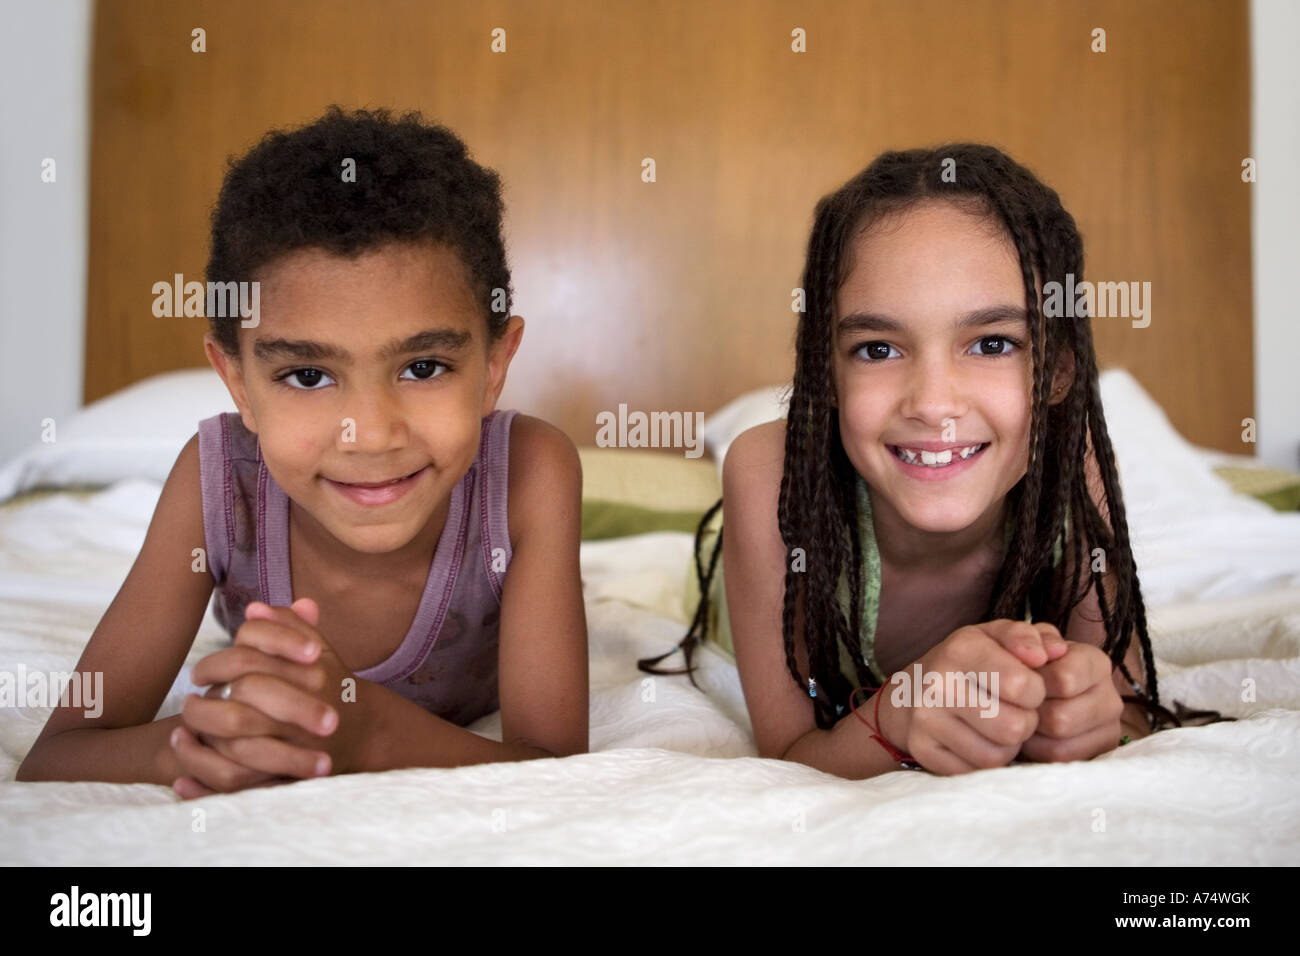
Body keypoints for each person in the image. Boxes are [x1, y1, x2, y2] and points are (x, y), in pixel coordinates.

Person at [18, 107, 588, 796]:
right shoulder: (219, 484)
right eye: (308, 376)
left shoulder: (530, 473)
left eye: (425, 367)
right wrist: (187, 750)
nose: (371, 435)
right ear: (239, 385)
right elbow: (59, 756)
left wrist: (367, 730)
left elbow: (553, 766)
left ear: (496, 365)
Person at [642, 144, 1215, 779]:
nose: (934, 404)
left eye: (993, 343)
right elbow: (790, 756)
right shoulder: (767, 474)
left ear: (1057, 371)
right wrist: (897, 716)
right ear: (824, 373)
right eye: (878, 349)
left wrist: (1085, 716)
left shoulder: (1068, 467)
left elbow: (1130, 707)